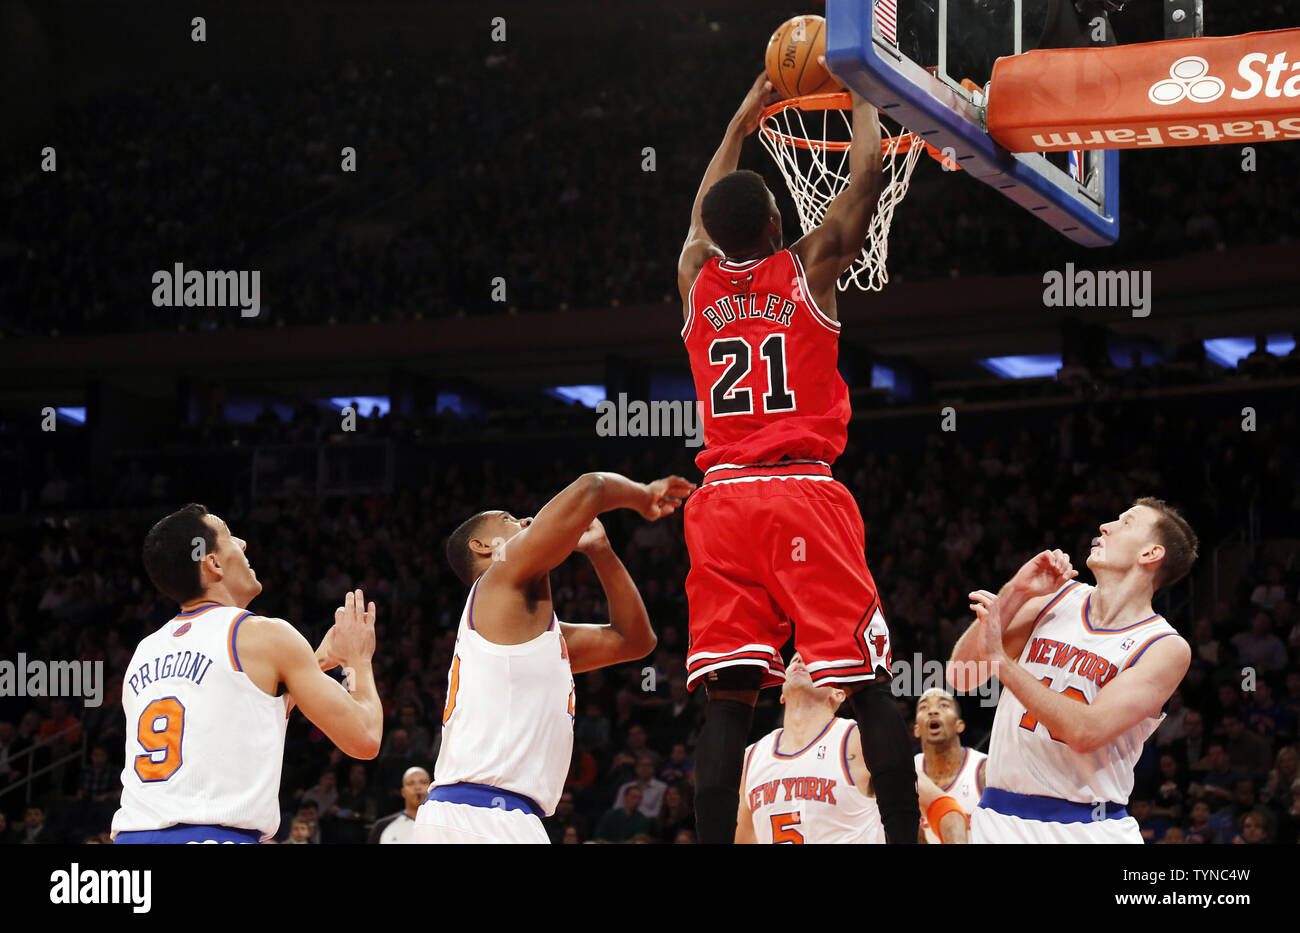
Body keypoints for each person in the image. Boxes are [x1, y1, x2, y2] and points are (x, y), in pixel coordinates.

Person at [676, 68, 917, 845]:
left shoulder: (694, 280)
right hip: (799, 489)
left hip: (718, 503)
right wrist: (864, 92)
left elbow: (697, 222)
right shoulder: (808, 265)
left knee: (729, 695)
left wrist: (739, 125)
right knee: (867, 680)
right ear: (778, 218)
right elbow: (865, 183)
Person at [415, 471, 694, 844]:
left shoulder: (523, 633)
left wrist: (601, 552)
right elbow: (591, 486)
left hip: (483, 813)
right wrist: (643, 495)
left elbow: (635, 641)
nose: (527, 521)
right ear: (483, 546)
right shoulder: (499, 575)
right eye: (509, 520)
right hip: (484, 814)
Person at [111, 503, 383, 844]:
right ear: (213, 562)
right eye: (229, 537)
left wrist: (316, 661)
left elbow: (246, 716)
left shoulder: (144, 651)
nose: (242, 544)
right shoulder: (265, 635)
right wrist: (357, 661)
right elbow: (365, 738)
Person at [951, 498, 1198, 843]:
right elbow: (962, 676)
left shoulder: (1163, 646)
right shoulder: (1055, 597)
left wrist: (1003, 664)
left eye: (1125, 523)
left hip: (1089, 826)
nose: (1105, 526)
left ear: (1150, 554)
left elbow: (1085, 732)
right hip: (999, 818)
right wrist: (1015, 591)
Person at [735, 653, 964, 844]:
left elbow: (943, 807)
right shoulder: (751, 758)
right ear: (782, 695)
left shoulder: (860, 740)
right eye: (795, 658)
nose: (800, 660)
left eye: (813, 659)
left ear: (839, 692)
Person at [912, 688, 986, 844]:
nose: (933, 711)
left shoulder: (983, 769)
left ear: (959, 725)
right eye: (924, 707)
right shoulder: (908, 770)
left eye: (943, 705)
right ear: (916, 729)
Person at [367, 766, 430, 844]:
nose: (417, 787)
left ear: (431, 789)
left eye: (423, 782)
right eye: (411, 783)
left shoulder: (445, 822)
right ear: (403, 792)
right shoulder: (381, 827)